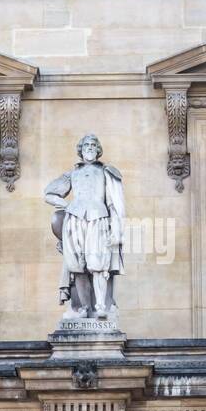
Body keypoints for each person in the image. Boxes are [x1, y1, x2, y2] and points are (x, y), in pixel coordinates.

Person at [44, 133, 125, 321]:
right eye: (86, 145)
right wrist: (68, 206)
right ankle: (84, 308)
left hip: (99, 218)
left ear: (98, 150)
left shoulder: (107, 172)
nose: (89, 147)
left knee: (98, 265)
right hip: (75, 220)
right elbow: (48, 194)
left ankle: (100, 307)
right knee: (76, 266)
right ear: (80, 150)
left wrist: (117, 231)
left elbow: (115, 204)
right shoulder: (72, 174)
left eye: (93, 145)